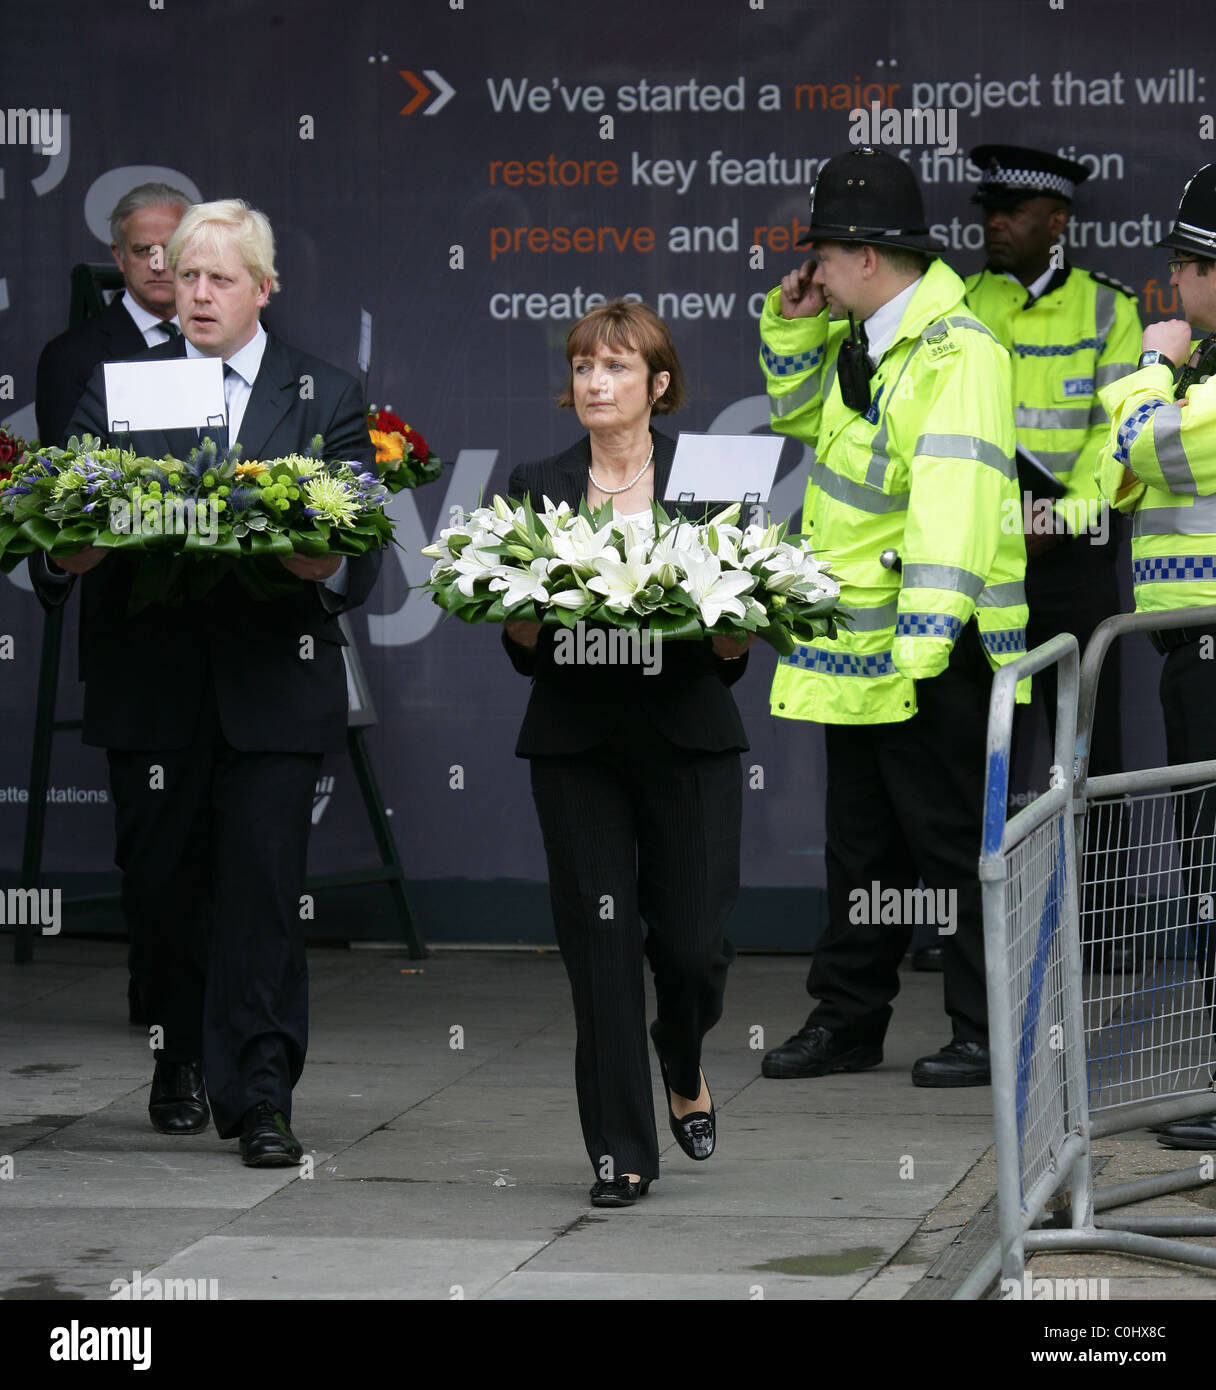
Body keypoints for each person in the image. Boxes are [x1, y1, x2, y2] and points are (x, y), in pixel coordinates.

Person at [28, 199, 379, 1166]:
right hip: (153, 688)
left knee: (264, 892)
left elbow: (360, 557)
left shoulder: (325, 389)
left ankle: (262, 1095)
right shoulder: (118, 384)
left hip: (273, 687)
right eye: (186, 276)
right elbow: (54, 546)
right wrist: (74, 549)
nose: (200, 294)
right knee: (164, 890)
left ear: (265, 289)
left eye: (222, 278)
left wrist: (323, 563)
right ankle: (176, 1053)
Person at [757, 148, 1027, 1088]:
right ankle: (849, 1018)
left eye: (821, 257)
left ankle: (985, 1029)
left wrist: (925, 645)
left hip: (937, 645)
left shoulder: (960, 352)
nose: (811, 274)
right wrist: (791, 331)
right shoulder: (863, 341)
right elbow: (799, 421)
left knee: (951, 843)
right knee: (862, 845)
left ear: (866, 256)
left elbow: (954, 501)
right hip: (864, 644)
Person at [501, 299, 752, 1206]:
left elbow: (738, 636)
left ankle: (681, 1060)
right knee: (600, 948)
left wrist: (734, 635)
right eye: (582, 367)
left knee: (691, 949)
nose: (596, 381)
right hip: (577, 743)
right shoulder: (535, 482)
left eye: (616, 366)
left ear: (659, 384)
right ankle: (621, 1152)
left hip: (688, 737)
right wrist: (521, 618)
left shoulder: (711, 477)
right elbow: (520, 645)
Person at [956, 145, 1140, 976]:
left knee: (1086, 742)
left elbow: (1122, 441)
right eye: (988, 211)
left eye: (1014, 212)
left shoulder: (1110, 311)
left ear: (1057, 222)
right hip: (989, 557)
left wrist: (1053, 518)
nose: (995, 224)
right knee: (977, 741)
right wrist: (1003, 521)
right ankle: (966, 927)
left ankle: (1102, 928)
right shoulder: (959, 301)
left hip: (1075, 560)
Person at [1095, 162, 1216, 1150]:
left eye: (1183, 267)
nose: (1172, 289)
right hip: (1190, 651)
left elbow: (1146, 453)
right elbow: (1116, 478)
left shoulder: (1185, 375)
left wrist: (1149, 367)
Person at [36, 182, 192, 448]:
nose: (158, 264)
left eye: (171, 249)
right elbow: (66, 475)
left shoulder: (229, 341)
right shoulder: (68, 357)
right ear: (119, 256)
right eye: (143, 250)